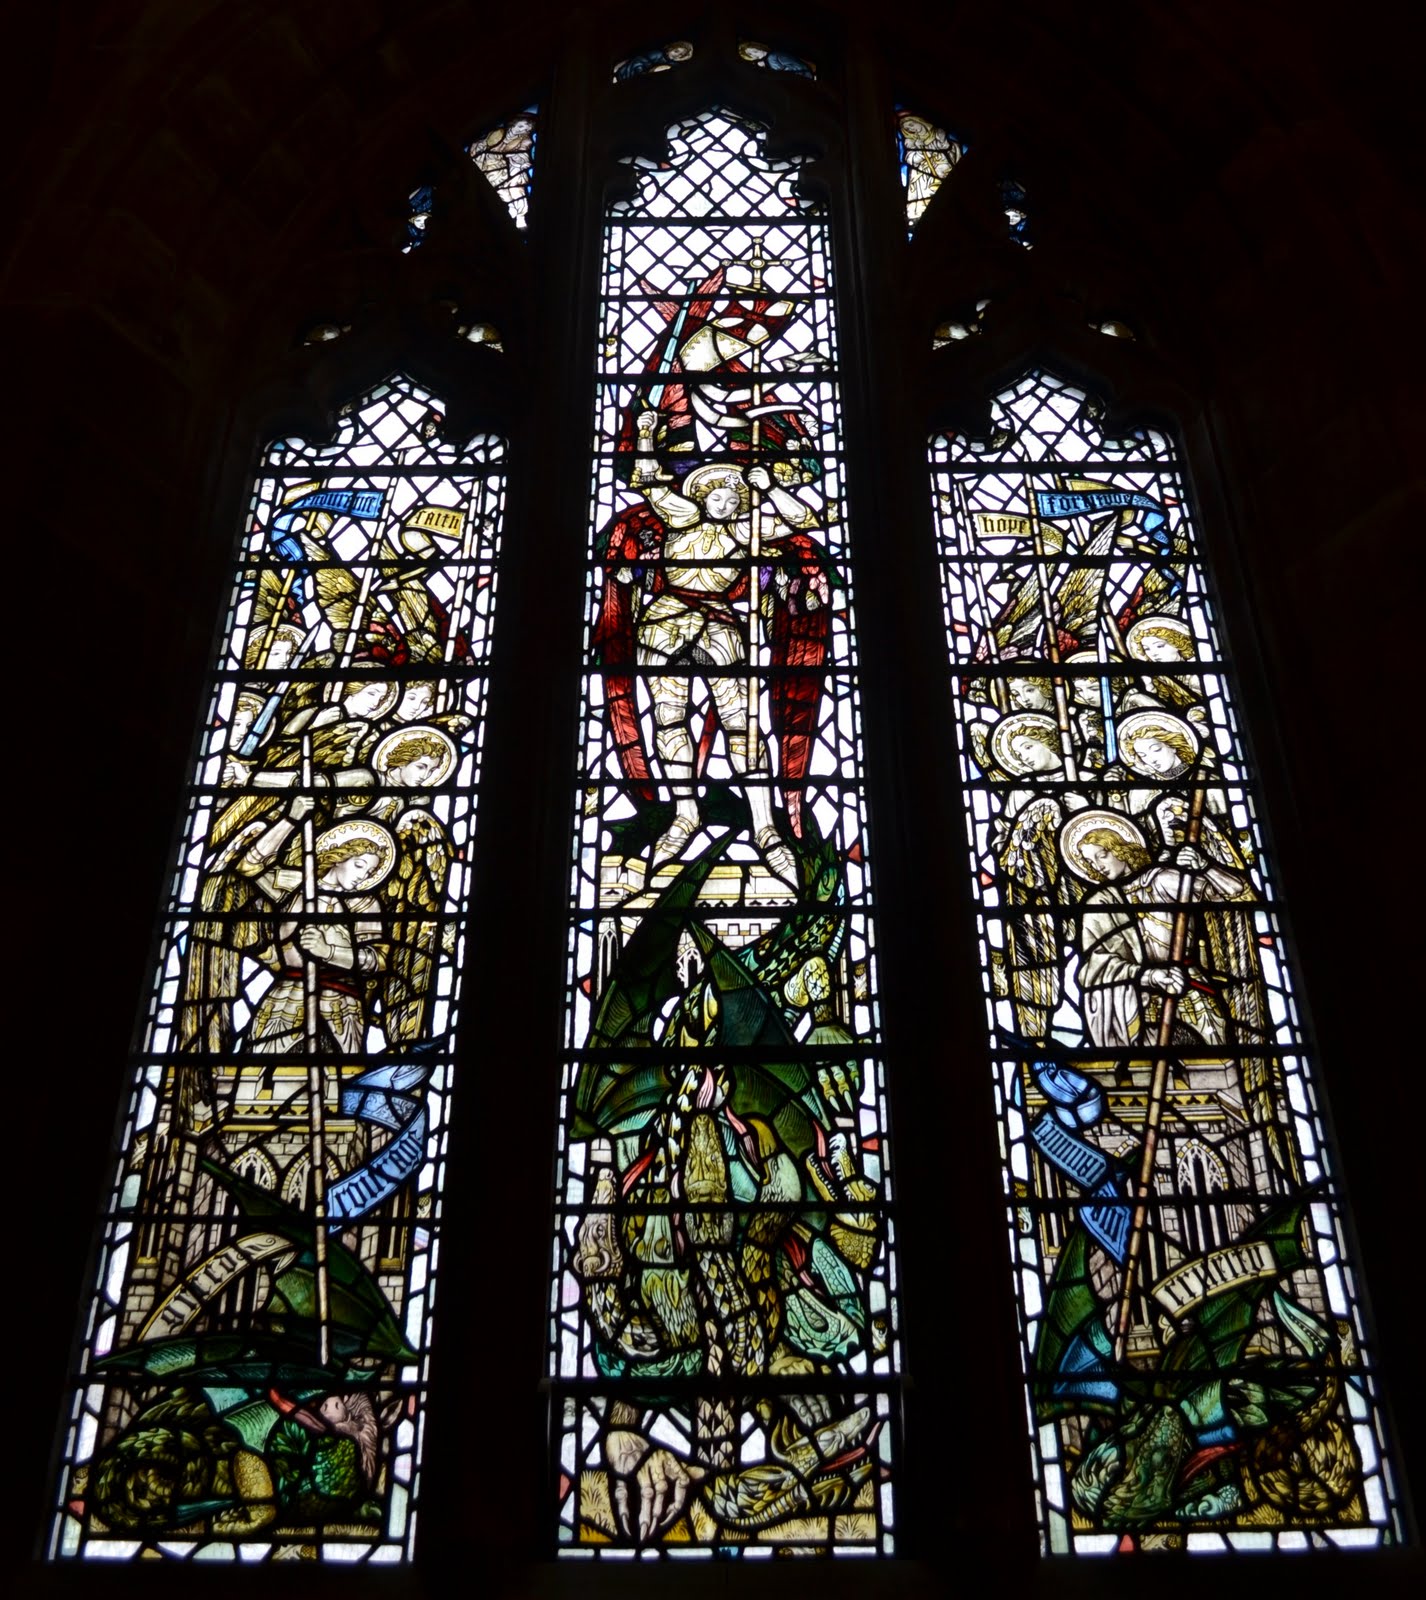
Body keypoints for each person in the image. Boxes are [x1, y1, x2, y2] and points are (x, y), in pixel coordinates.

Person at [607, 443, 825, 881]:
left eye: (733, 498)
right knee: (669, 721)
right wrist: (647, 439)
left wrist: (773, 488)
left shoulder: (746, 531)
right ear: (700, 497)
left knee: (741, 726)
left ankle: (765, 826)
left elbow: (807, 523)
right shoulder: (679, 517)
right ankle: (685, 813)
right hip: (664, 620)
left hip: (721, 624)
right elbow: (647, 481)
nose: (724, 503)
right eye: (716, 496)